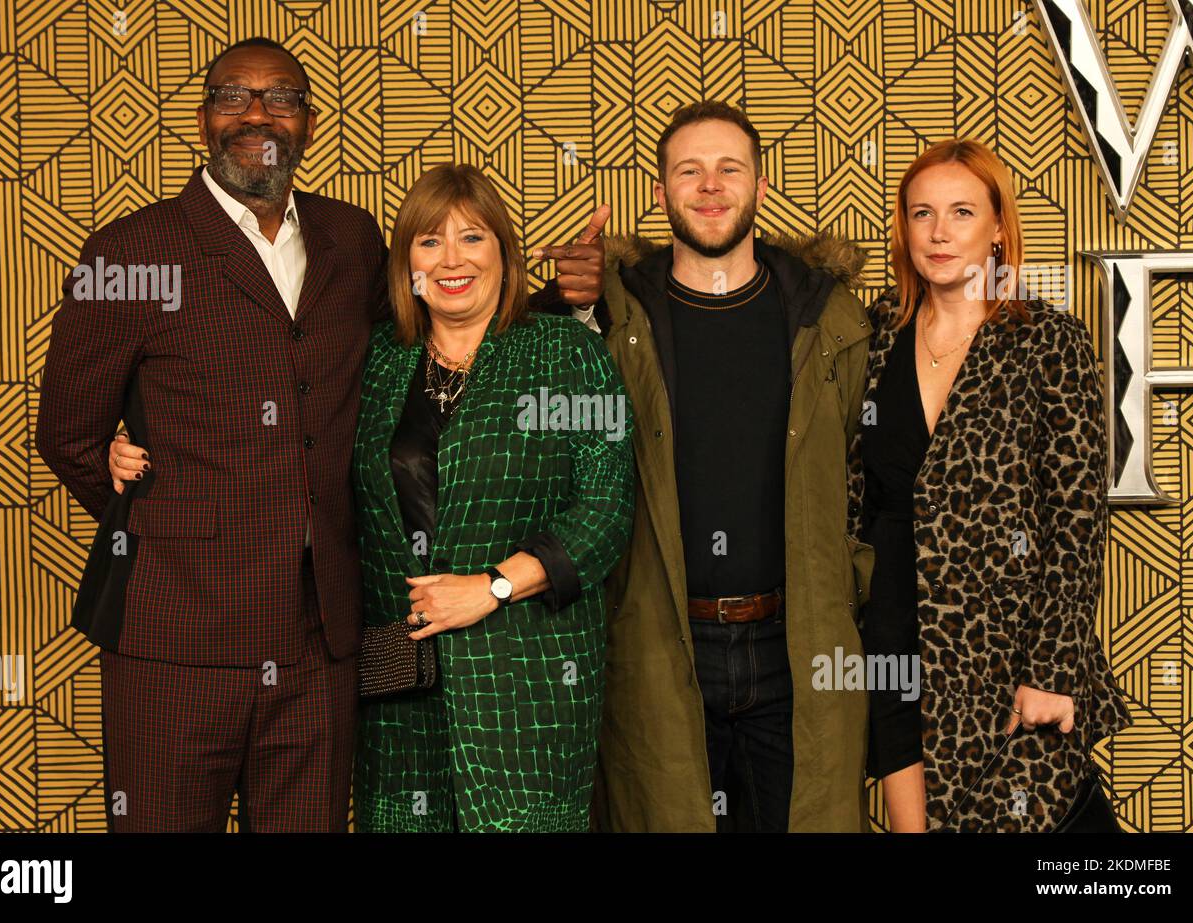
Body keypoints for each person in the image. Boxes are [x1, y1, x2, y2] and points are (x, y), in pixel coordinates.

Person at [44, 36, 605, 832]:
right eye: (234, 95)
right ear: (204, 117)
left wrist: (560, 299)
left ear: (308, 122)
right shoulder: (134, 253)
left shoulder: (351, 240)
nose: (257, 114)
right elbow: (67, 432)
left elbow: (435, 343)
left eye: (281, 97)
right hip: (175, 638)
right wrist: (151, 504)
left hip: (320, 644)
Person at [549, 101, 874, 832]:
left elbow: (871, 482)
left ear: (760, 185)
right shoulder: (611, 318)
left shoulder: (833, 322)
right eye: (687, 170)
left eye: (730, 168)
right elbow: (540, 440)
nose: (710, 185)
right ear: (660, 193)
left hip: (798, 648)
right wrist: (562, 302)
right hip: (658, 648)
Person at [846, 138, 1133, 832]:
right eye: (921, 213)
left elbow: (1077, 521)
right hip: (892, 642)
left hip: (1010, 656)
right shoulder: (872, 336)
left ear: (999, 227)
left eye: (961, 211)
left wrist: (1054, 667)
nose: (939, 232)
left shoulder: (1048, 341)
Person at [350, 163, 633, 831]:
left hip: (529, 682)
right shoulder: (379, 362)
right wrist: (139, 439)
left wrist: (493, 586)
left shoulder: (563, 353)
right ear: (406, 264)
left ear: (504, 253)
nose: (452, 259)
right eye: (429, 241)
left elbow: (606, 511)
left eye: (472, 238)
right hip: (399, 691)